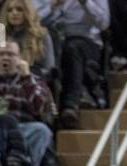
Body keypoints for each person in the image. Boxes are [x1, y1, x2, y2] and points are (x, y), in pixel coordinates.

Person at [0, 40, 55, 166]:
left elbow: (39, 107)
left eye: (11, 54)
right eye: (1, 54)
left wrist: (26, 79)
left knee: (42, 131)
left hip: (22, 129)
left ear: (20, 58)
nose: (5, 57)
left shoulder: (34, 80)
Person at [38, 0, 110, 128]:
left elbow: (104, 24)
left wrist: (86, 4)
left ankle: (70, 105)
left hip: (86, 41)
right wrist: (53, 7)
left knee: (72, 48)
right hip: (54, 40)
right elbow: (32, 22)